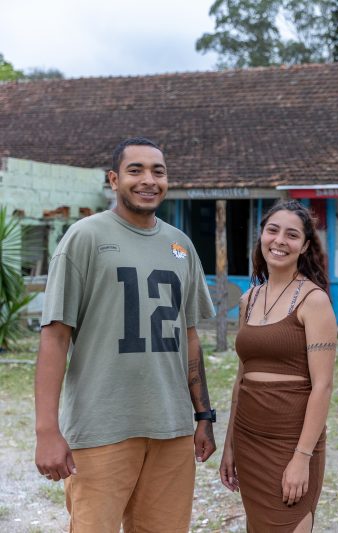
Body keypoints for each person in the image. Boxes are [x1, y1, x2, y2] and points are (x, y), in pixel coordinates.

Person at [34, 137, 217, 532]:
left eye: (159, 171)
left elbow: (189, 337)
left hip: (171, 429)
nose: (148, 180)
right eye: (136, 170)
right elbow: (55, 337)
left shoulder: (180, 245)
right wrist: (47, 431)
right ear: (114, 180)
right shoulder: (85, 238)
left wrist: (203, 415)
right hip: (103, 428)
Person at [219, 200, 337, 532]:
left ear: (305, 246)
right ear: (261, 236)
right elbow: (241, 377)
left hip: (292, 442)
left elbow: (323, 386)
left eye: (292, 234)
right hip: (248, 438)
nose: (280, 241)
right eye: (273, 230)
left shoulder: (314, 301)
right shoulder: (249, 299)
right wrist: (229, 446)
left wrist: (302, 458)